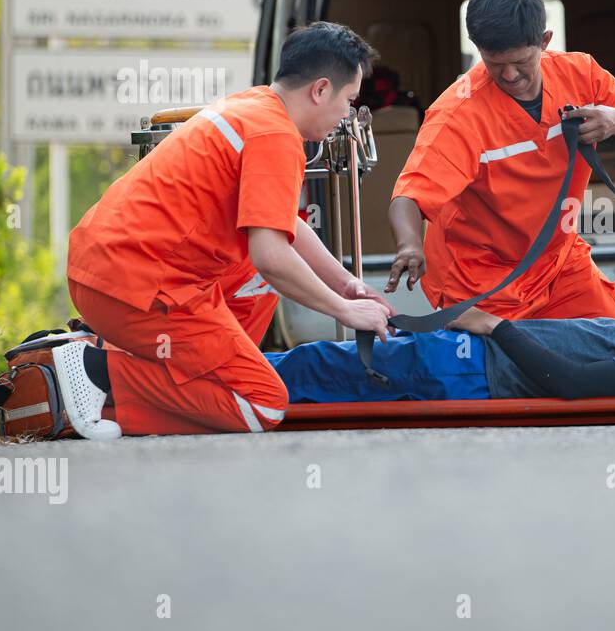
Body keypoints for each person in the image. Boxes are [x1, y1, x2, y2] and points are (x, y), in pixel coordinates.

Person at [52, 22, 396, 439]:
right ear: (320, 90)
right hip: (134, 286)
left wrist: (346, 285)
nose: (347, 114)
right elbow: (271, 257)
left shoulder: (253, 106)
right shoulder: (276, 136)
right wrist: (343, 311)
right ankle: (99, 377)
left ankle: (147, 367)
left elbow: (285, 226)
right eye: (348, 100)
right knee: (263, 402)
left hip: (104, 270)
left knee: (257, 279)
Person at [386, 0, 615, 321]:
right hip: (479, 281)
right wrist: (409, 246)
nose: (508, 75)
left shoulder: (580, 75)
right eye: (494, 62)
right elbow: (409, 196)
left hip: (560, 264)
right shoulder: (457, 115)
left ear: (544, 41)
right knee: (516, 372)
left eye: (520, 61)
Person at [266, 300, 615, 403]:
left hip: (476, 366)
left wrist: (493, 326)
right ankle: (223, 377)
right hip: (474, 354)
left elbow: (572, 384)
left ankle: (223, 381)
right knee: (325, 368)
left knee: (320, 367)